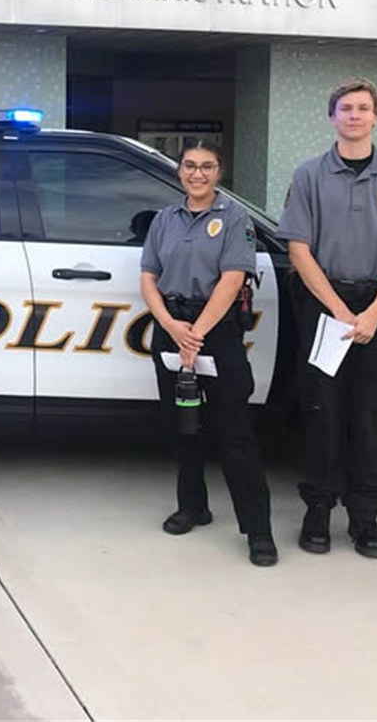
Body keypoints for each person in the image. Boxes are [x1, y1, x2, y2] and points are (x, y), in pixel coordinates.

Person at [277, 78, 377, 558]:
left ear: (375, 116)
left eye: (364, 108)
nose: (355, 116)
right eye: (346, 108)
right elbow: (298, 249)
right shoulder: (309, 175)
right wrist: (342, 312)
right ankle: (319, 510)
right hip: (326, 307)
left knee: (367, 417)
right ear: (332, 117)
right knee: (323, 413)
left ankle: (365, 519)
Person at [140, 139, 277, 567]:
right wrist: (171, 327)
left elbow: (232, 280)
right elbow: (148, 277)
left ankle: (258, 531)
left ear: (220, 172)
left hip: (214, 333)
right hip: (172, 327)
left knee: (235, 433)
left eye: (207, 166)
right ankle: (192, 506)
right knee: (183, 425)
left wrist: (194, 335)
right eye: (189, 166)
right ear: (179, 170)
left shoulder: (236, 219)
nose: (197, 174)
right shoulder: (165, 219)